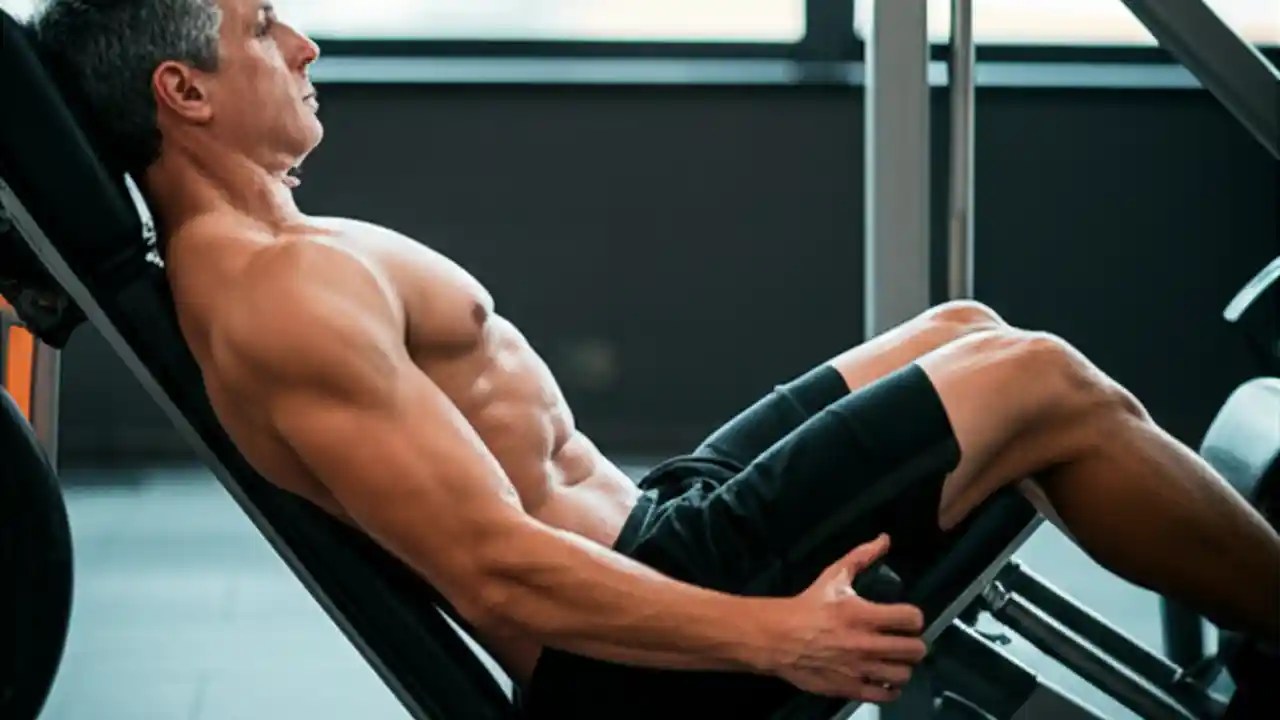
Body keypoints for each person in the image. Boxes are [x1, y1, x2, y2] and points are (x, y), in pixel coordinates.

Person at [31, 0, 1280, 717]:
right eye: (263, 29)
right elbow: (494, 568)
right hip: (632, 669)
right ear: (184, 93)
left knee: (965, 330)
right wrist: (774, 637)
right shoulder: (272, 299)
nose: (304, 45)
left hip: (653, 530)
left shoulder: (281, 251)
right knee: (1036, 382)